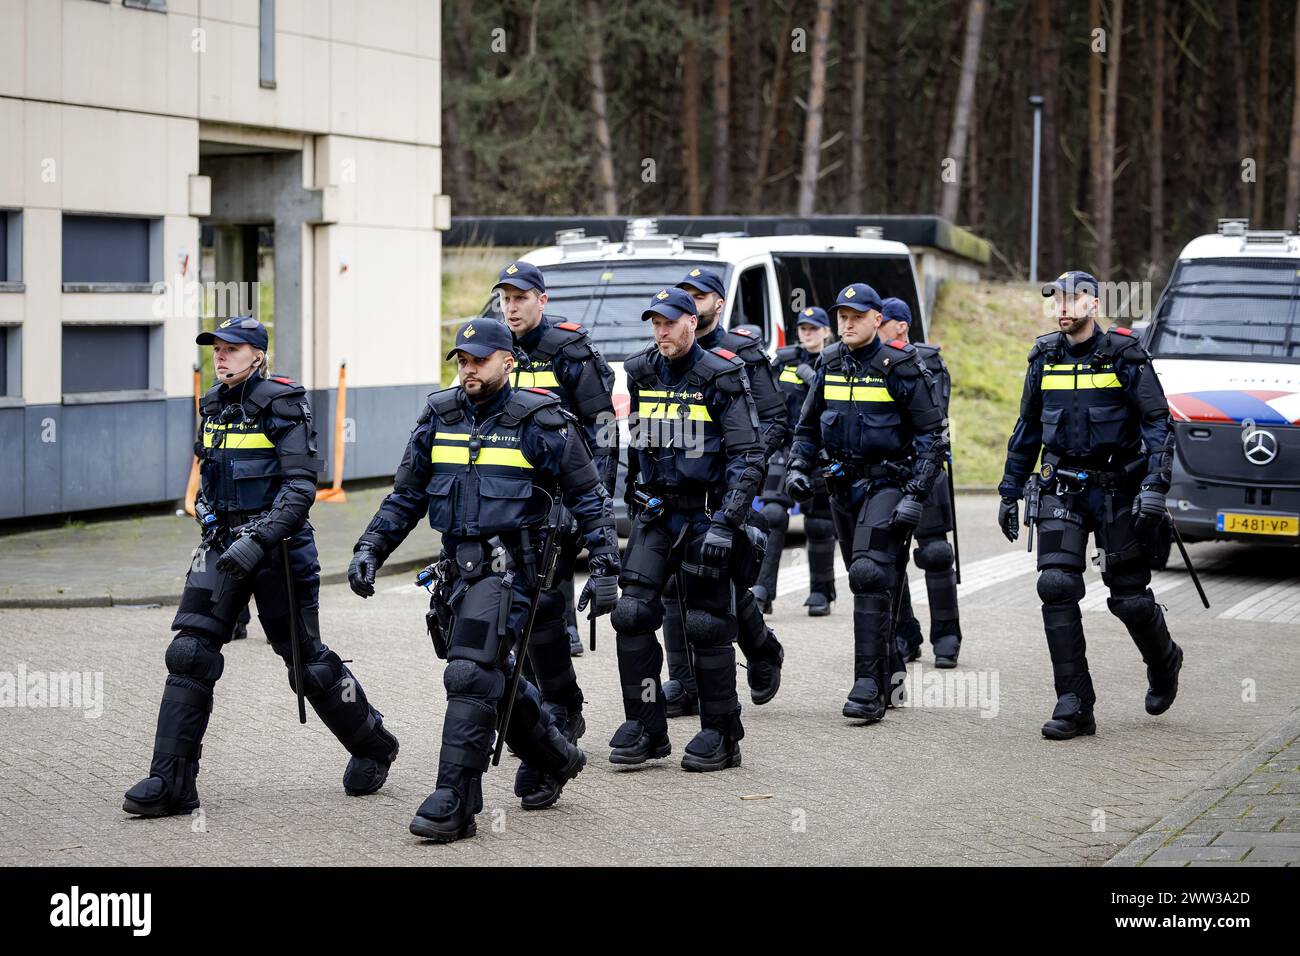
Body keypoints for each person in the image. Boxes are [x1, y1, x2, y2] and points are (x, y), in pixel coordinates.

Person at [348, 318, 620, 842]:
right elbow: (406, 495)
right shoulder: (439, 415)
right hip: (457, 571)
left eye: (479, 359)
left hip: (512, 570)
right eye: (462, 361)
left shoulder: (540, 419)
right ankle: (555, 757)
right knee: (494, 671)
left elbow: (589, 497)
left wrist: (606, 565)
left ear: (507, 362)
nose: (468, 369)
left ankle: (454, 799)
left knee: (470, 674)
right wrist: (370, 548)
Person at [123, 317, 398, 817]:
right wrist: (206, 512)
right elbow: (207, 477)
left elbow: (299, 489)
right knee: (189, 651)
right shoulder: (212, 405)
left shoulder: (283, 403)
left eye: (232, 348)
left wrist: (259, 540)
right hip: (221, 545)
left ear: (258, 355)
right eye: (216, 349)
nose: (221, 356)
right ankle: (172, 782)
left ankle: (374, 744)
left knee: (306, 663)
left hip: (280, 550)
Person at [999, 271, 1183, 740]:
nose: (1062, 306)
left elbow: (1158, 425)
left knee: (1129, 600)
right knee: (1056, 585)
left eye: (1072, 297)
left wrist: (1155, 487)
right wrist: (1009, 489)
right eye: (1056, 298)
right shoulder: (1043, 355)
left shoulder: (1124, 354)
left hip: (1118, 489)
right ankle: (1075, 703)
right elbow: (1028, 428)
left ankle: (1165, 659)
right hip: (1062, 488)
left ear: (1094, 304)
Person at [610, 287, 767, 771]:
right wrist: (635, 490)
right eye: (654, 323)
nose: (661, 332)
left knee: (705, 623)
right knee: (632, 614)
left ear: (691, 323)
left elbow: (749, 455)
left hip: (705, 516)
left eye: (669, 323)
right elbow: (638, 441)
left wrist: (728, 522)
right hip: (657, 514)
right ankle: (646, 725)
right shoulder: (640, 371)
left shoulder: (721, 375)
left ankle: (721, 733)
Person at [786, 283, 949, 724]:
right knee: (882, 580)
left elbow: (933, 439)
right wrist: (798, 467)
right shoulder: (830, 362)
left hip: (889, 484)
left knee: (867, 573)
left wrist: (916, 495)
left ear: (878, 319)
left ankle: (868, 686)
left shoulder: (901, 366)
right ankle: (893, 675)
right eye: (842, 316)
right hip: (842, 489)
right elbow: (807, 429)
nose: (848, 323)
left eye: (857, 316)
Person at [496, 260, 617, 740]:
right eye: (505, 298)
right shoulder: (493, 346)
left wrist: (589, 503)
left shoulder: (568, 348)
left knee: (543, 609)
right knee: (504, 610)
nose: (511, 306)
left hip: (558, 499)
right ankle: (525, 711)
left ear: (542, 301)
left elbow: (602, 430)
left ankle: (562, 707)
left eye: (521, 297)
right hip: (506, 499)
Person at [659, 267, 786, 717]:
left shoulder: (743, 352)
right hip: (680, 490)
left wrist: (742, 463)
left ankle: (763, 650)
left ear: (718, 302)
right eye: (685, 294)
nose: (692, 301)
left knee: (724, 582)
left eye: (700, 295)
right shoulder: (666, 358)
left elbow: (774, 421)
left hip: (730, 490)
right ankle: (684, 683)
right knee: (674, 582)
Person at [878, 297, 962, 668]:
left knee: (935, 554)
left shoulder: (926, 360)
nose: (875, 327)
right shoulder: (869, 362)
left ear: (901, 326)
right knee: (888, 558)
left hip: (925, 469)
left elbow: (933, 417)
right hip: (888, 473)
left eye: (883, 322)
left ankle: (947, 636)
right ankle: (903, 633)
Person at [754, 306, 838, 617]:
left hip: (821, 452)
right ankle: (763, 589)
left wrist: (816, 378)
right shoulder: (785, 361)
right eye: (803, 328)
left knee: (818, 524)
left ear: (826, 332)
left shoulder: (837, 361)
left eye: (813, 328)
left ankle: (821, 591)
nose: (807, 334)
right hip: (786, 448)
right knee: (773, 514)